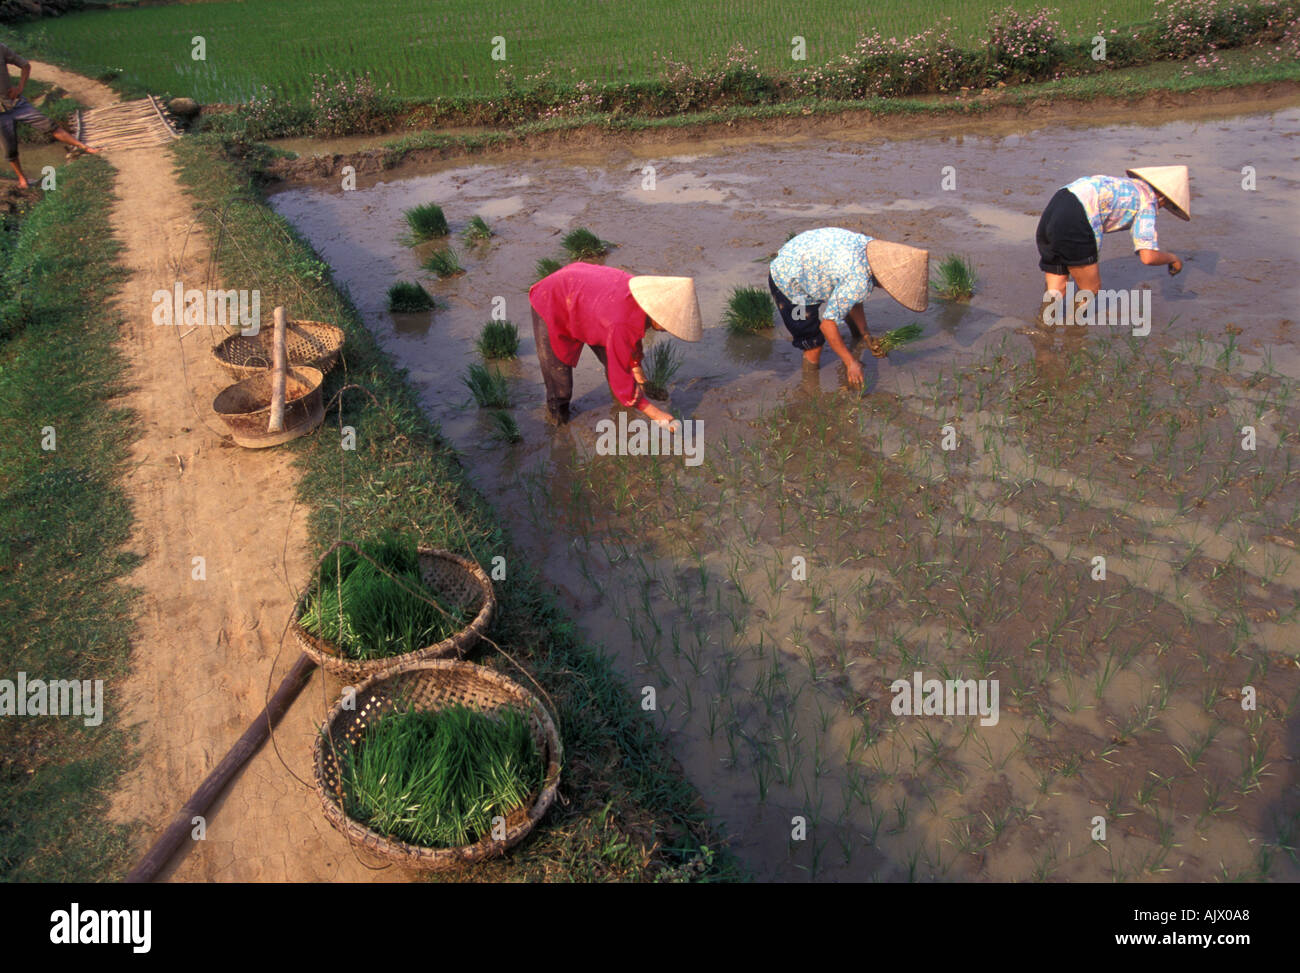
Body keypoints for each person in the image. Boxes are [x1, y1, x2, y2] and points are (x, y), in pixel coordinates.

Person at [528, 262, 702, 428]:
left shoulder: (638, 298)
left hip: (588, 299)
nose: (666, 329)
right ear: (655, 311)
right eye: (668, 323)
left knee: (622, 360)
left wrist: (637, 371)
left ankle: (626, 400)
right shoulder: (620, 324)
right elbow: (618, 368)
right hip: (553, 298)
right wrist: (656, 414)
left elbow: (631, 337)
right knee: (560, 384)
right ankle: (558, 423)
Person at [767, 227, 929, 389]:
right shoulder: (858, 280)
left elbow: (853, 298)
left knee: (847, 304)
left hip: (802, 259)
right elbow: (827, 325)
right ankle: (809, 386)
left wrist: (865, 333)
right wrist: (851, 363)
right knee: (812, 342)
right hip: (790, 284)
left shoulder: (868, 246)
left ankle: (854, 338)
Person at [1036, 165, 1190, 318]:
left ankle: (1043, 328)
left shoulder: (1128, 185)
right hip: (1078, 218)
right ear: (1164, 199)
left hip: (1056, 205)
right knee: (1091, 288)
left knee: (1056, 286)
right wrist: (1173, 258)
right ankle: (1074, 328)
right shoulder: (1147, 203)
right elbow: (1148, 257)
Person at [1, 40, 99, 188]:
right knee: (10, 147)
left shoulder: (1, 49)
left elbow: (25, 65)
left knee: (49, 125)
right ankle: (22, 178)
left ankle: (83, 146)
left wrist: (20, 88)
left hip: (15, 102)